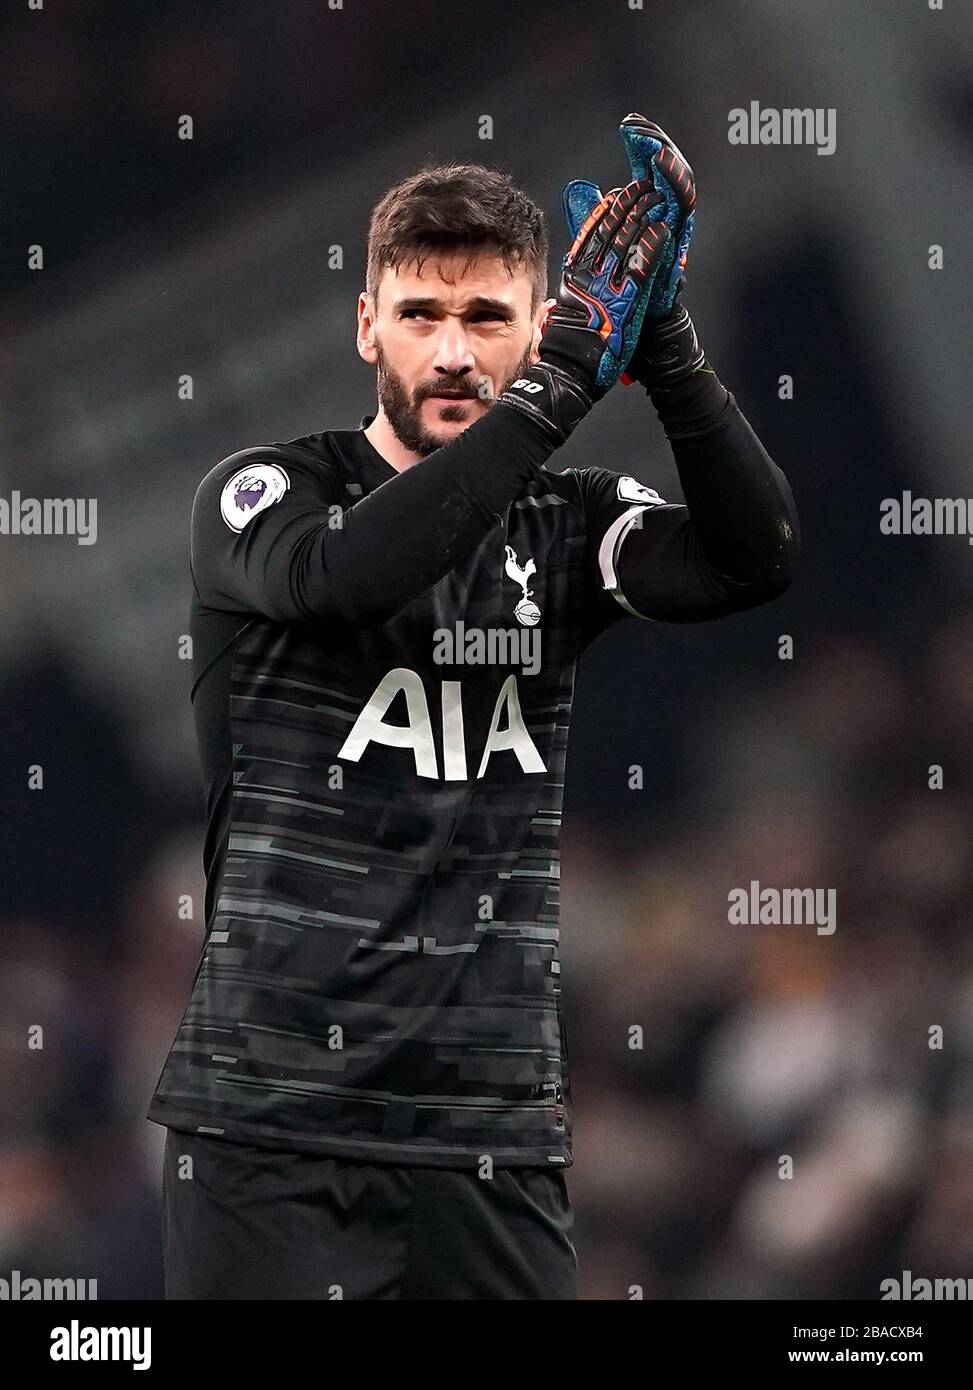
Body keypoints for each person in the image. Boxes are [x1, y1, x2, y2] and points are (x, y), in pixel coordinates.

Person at [149, 114, 799, 1299]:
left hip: (489, 1125)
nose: (454, 353)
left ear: (536, 322)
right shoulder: (261, 494)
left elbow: (751, 560)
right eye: (422, 316)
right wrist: (552, 390)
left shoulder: (566, 521)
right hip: (276, 1122)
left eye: (489, 319)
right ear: (366, 327)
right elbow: (346, 576)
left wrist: (671, 355)